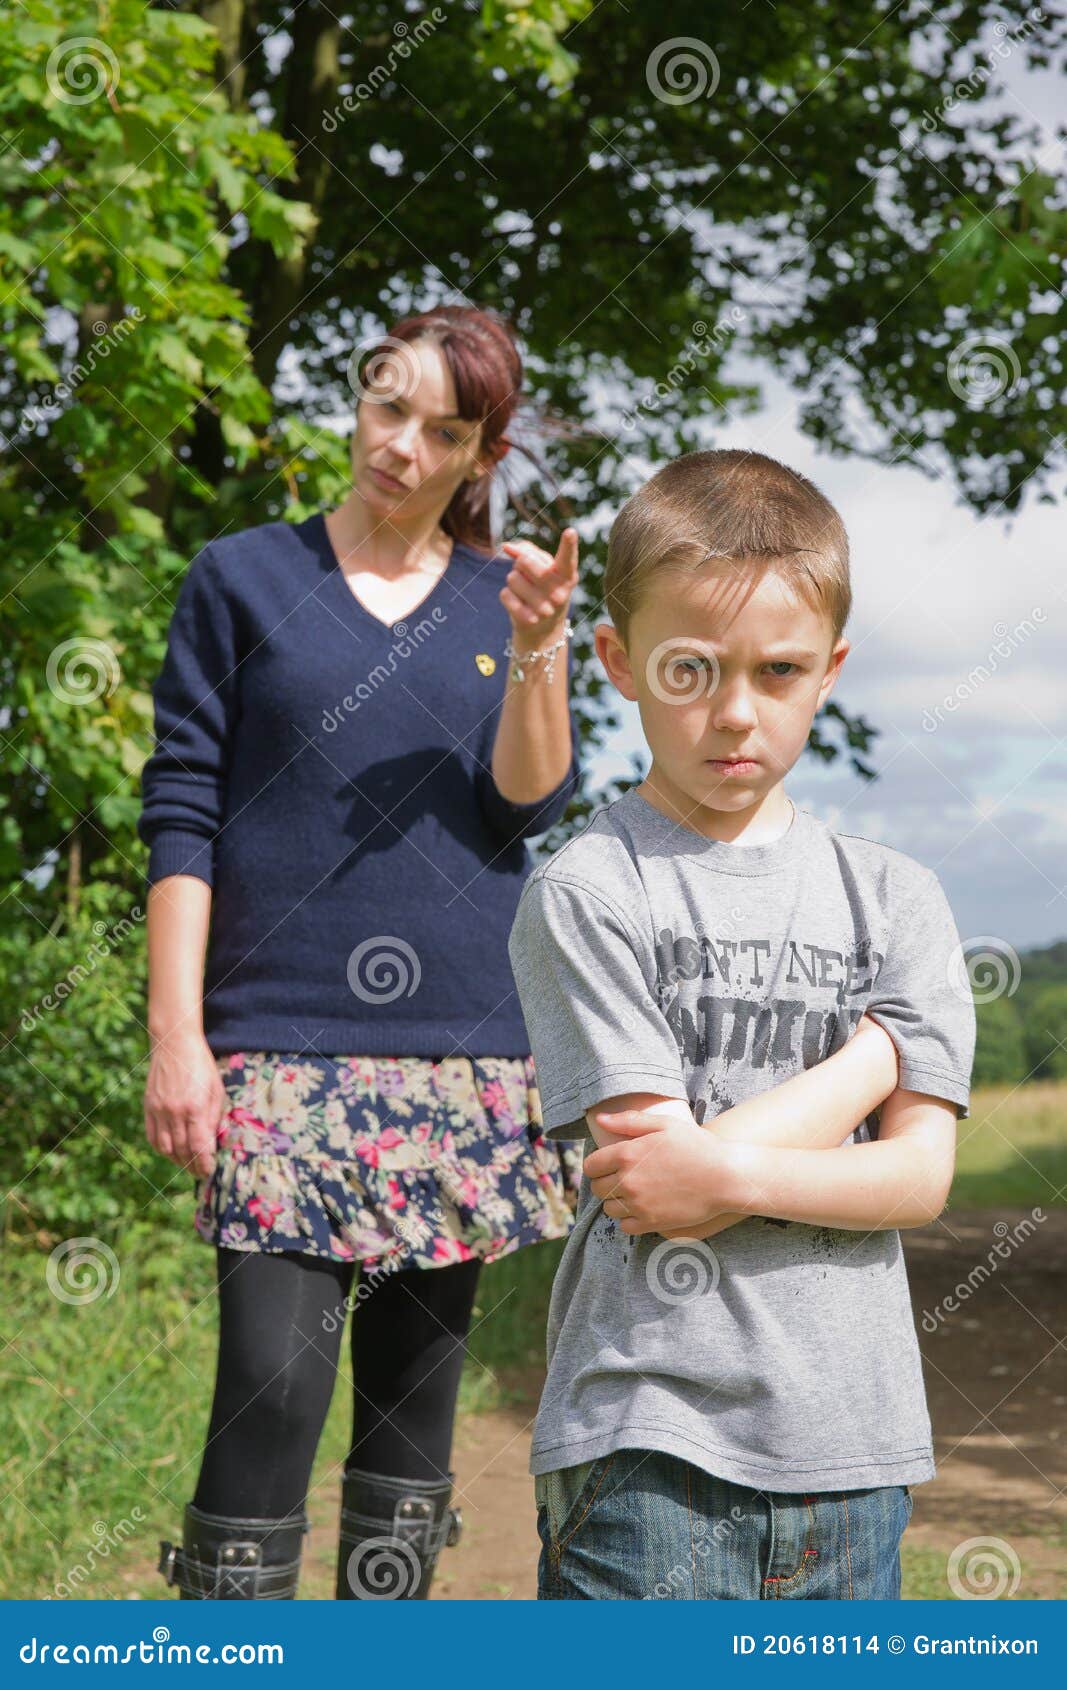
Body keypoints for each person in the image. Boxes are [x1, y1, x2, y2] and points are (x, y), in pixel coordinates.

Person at [138, 305, 583, 1600]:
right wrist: (178, 1035)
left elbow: (526, 803)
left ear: (478, 453)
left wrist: (542, 643)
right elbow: (181, 811)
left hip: (457, 1055)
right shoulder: (241, 577)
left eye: (443, 429)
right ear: (360, 396)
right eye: (389, 406)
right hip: (273, 1046)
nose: (402, 444)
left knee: (408, 1430)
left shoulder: (499, 603)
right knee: (268, 1392)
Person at [507, 447, 976, 1601]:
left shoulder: (895, 895)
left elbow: (917, 1180)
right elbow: (662, 1189)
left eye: (777, 671)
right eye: (689, 668)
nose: (733, 712)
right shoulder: (588, 888)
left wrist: (725, 1163)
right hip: (646, 1450)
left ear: (829, 671)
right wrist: (872, 1058)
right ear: (614, 658)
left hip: (854, 1455)